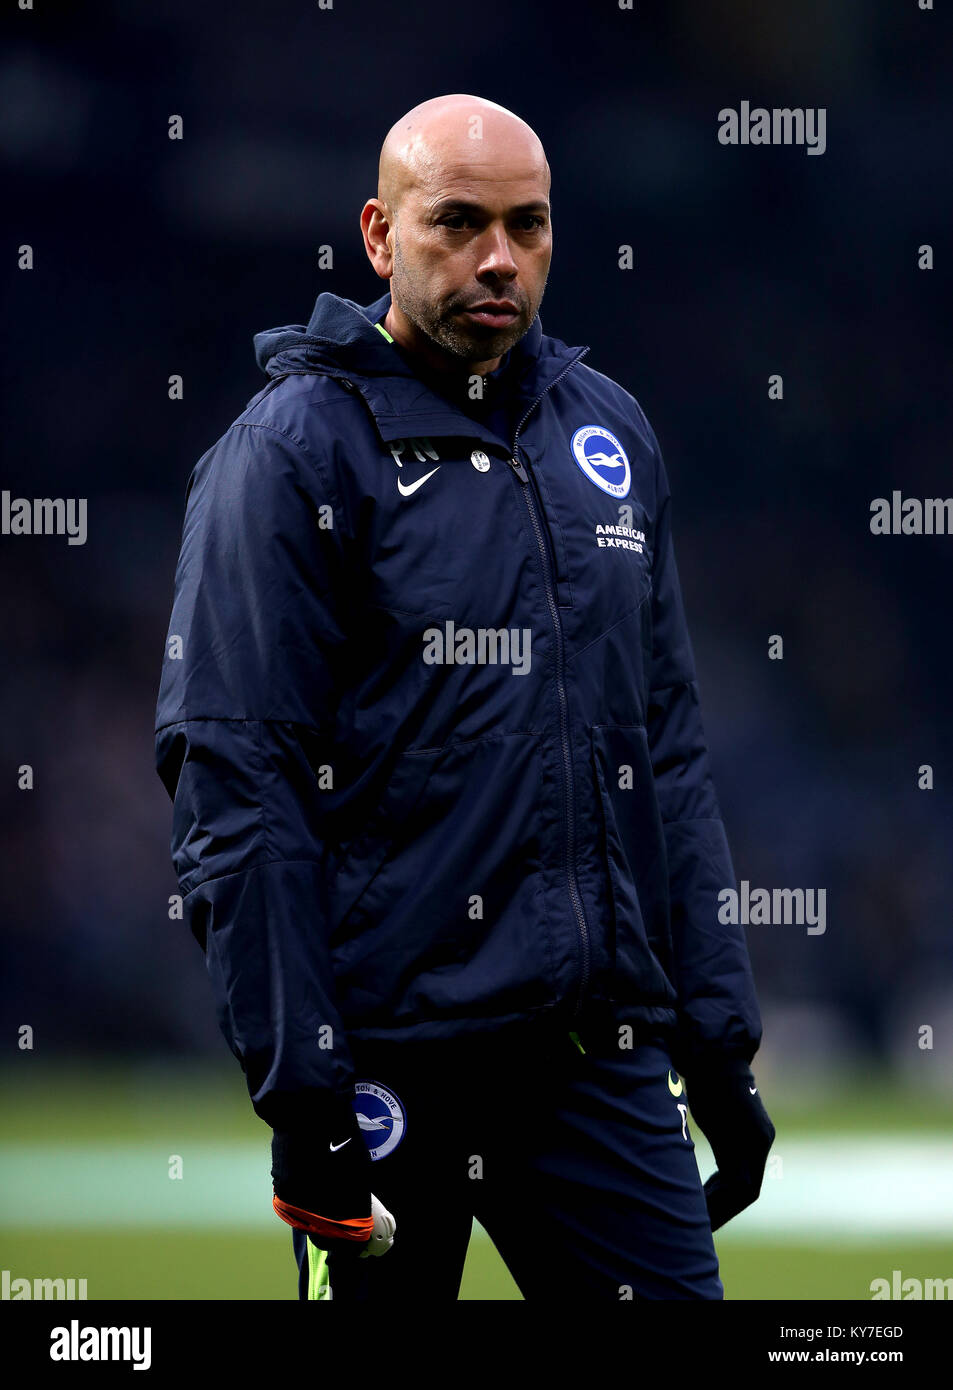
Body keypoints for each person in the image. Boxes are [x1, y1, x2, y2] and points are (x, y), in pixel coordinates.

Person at [154, 93, 775, 1302]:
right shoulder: (290, 453)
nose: (499, 257)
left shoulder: (608, 433)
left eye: (528, 225)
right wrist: (306, 1099)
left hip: (597, 1064)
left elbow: (669, 760)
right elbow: (238, 787)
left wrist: (717, 1038)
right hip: (391, 1071)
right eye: (459, 223)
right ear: (380, 237)